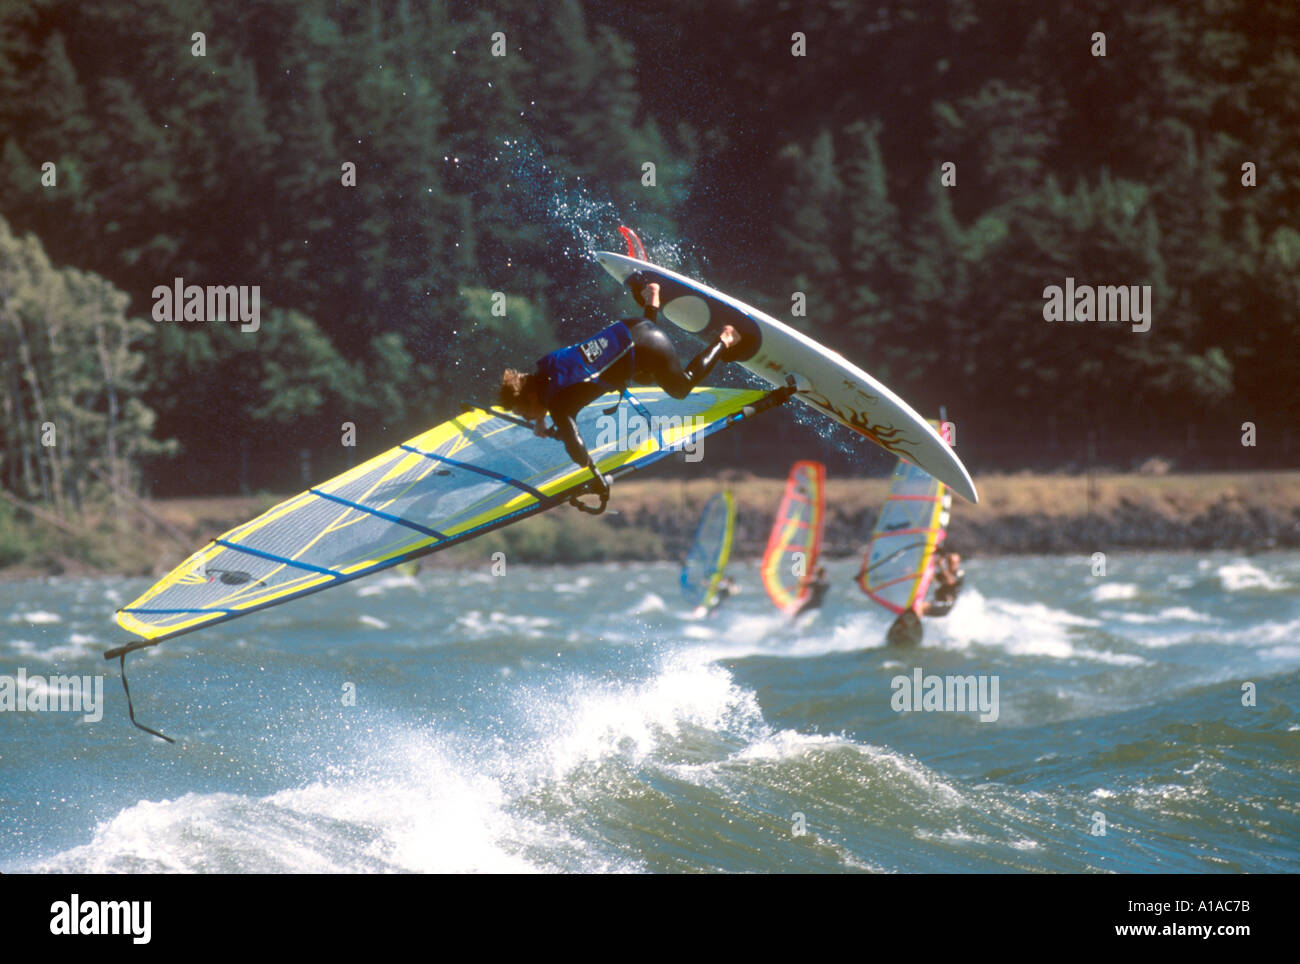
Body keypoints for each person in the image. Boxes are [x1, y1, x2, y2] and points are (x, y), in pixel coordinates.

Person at [498, 282, 740, 501]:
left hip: (647, 346)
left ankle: (727, 338)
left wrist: (583, 460)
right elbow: (547, 393)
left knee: (682, 387)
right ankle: (651, 299)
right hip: (632, 326)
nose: (526, 418)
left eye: (524, 413)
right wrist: (542, 419)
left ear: (531, 397)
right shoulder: (545, 368)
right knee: (643, 377)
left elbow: (579, 453)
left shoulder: (559, 405)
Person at [921, 550, 965, 617]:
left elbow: (950, 581)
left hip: (946, 606)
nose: (954, 565)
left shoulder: (960, 573)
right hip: (937, 602)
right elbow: (928, 578)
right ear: (947, 562)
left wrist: (941, 566)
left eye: (956, 563)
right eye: (951, 562)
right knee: (916, 607)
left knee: (920, 607)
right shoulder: (942, 575)